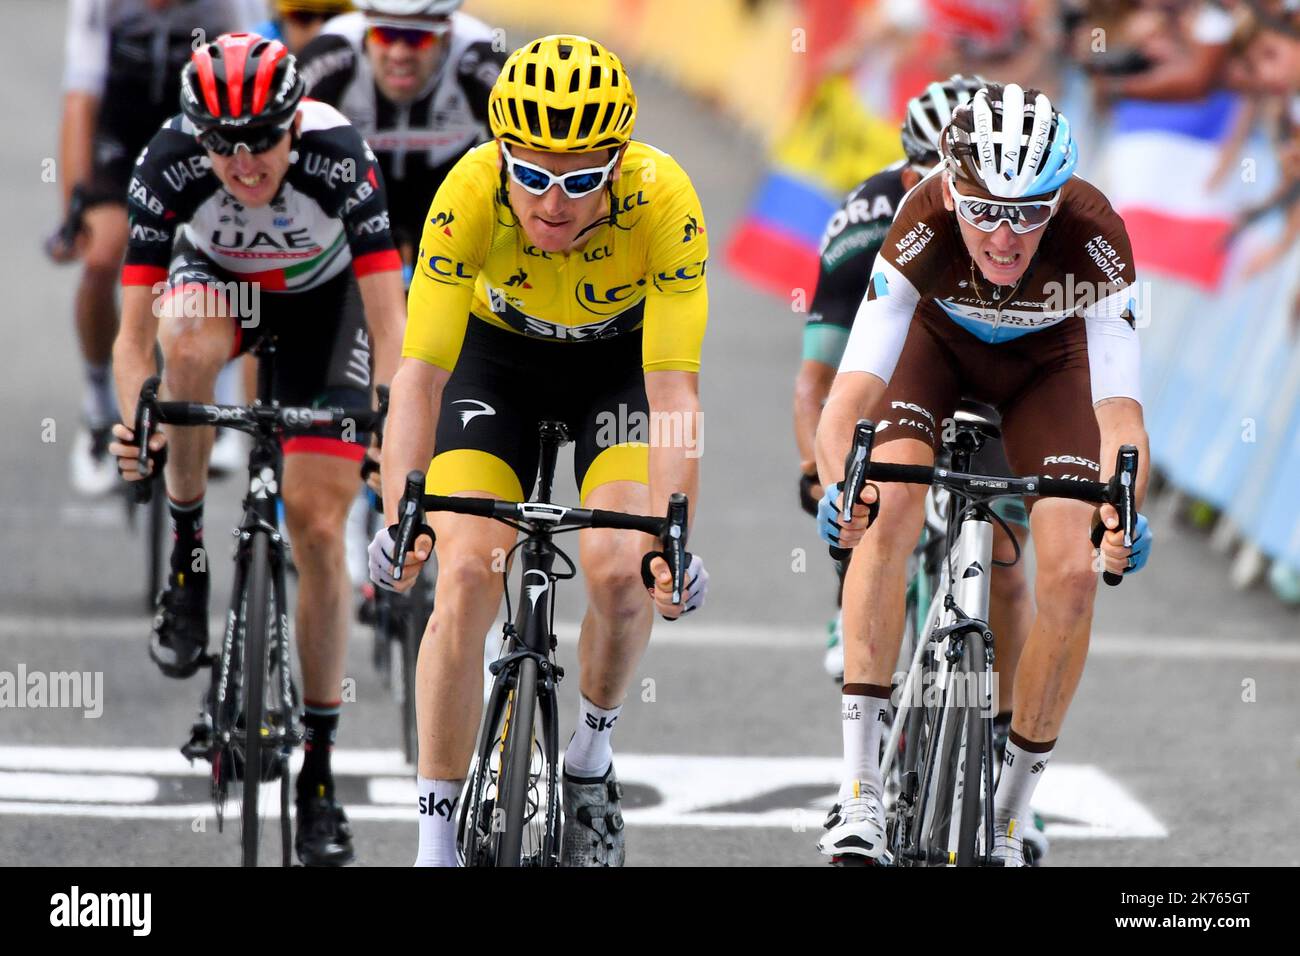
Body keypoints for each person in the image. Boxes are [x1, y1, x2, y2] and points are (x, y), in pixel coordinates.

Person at [369, 34, 711, 867]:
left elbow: (673, 398)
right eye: (533, 174)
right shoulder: (470, 193)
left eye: (582, 179)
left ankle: (588, 763)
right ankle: (435, 842)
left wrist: (673, 540)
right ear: (503, 158)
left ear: (618, 166)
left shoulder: (665, 201)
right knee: (461, 572)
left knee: (618, 572)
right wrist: (399, 517)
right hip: (497, 365)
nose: (553, 203)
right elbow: (418, 377)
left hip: (615, 373)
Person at [814, 84, 1153, 866]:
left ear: (1058, 197)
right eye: (985, 211)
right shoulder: (923, 218)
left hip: (1048, 369)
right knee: (888, 502)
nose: (1005, 236)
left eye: (1030, 212)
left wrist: (1122, 510)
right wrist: (841, 485)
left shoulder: (1096, 234)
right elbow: (849, 401)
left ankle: (1010, 811)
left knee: (1069, 574)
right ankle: (859, 787)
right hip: (934, 354)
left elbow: (1121, 417)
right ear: (952, 189)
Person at [108, 32, 406, 865]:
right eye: (222, 146)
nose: (242, 166)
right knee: (185, 347)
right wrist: (140, 416)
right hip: (220, 290)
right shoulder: (166, 161)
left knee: (316, 526)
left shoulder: (341, 156)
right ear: (195, 132)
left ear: (294, 126)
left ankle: (318, 770)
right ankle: (189, 553)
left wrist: (388, 428)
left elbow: (391, 326)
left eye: (261, 143)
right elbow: (134, 338)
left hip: (325, 308)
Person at [53, 0, 250, 495]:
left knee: (231, 244)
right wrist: (75, 209)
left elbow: (256, 76)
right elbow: (80, 99)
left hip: (203, 122)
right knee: (101, 257)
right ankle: (99, 409)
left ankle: (222, 395)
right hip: (122, 127)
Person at [297, 0, 504, 273]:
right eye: (385, 35)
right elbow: (284, 146)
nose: (399, 54)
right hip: (356, 181)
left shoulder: (479, 55)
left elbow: (522, 153)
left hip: (444, 183)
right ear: (365, 32)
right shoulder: (332, 52)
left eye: (417, 37)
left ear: (447, 35)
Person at [254, 0, 353, 53]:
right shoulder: (259, 48)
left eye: (330, 17)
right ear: (280, 18)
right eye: (303, 16)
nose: (317, 30)